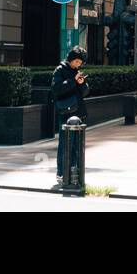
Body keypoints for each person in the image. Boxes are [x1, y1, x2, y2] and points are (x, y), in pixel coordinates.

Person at [51, 46, 90, 190]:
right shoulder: (60, 70)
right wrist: (73, 81)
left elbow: (85, 92)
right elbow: (56, 89)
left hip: (78, 112)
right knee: (64, 143)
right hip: (66, 113)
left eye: (80, 63)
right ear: (71, 59)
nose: (78, 65)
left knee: (76, 145)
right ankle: (61, 173)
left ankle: (74, 172)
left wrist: (82, 84)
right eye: (77, 62)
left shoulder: (76, 72)